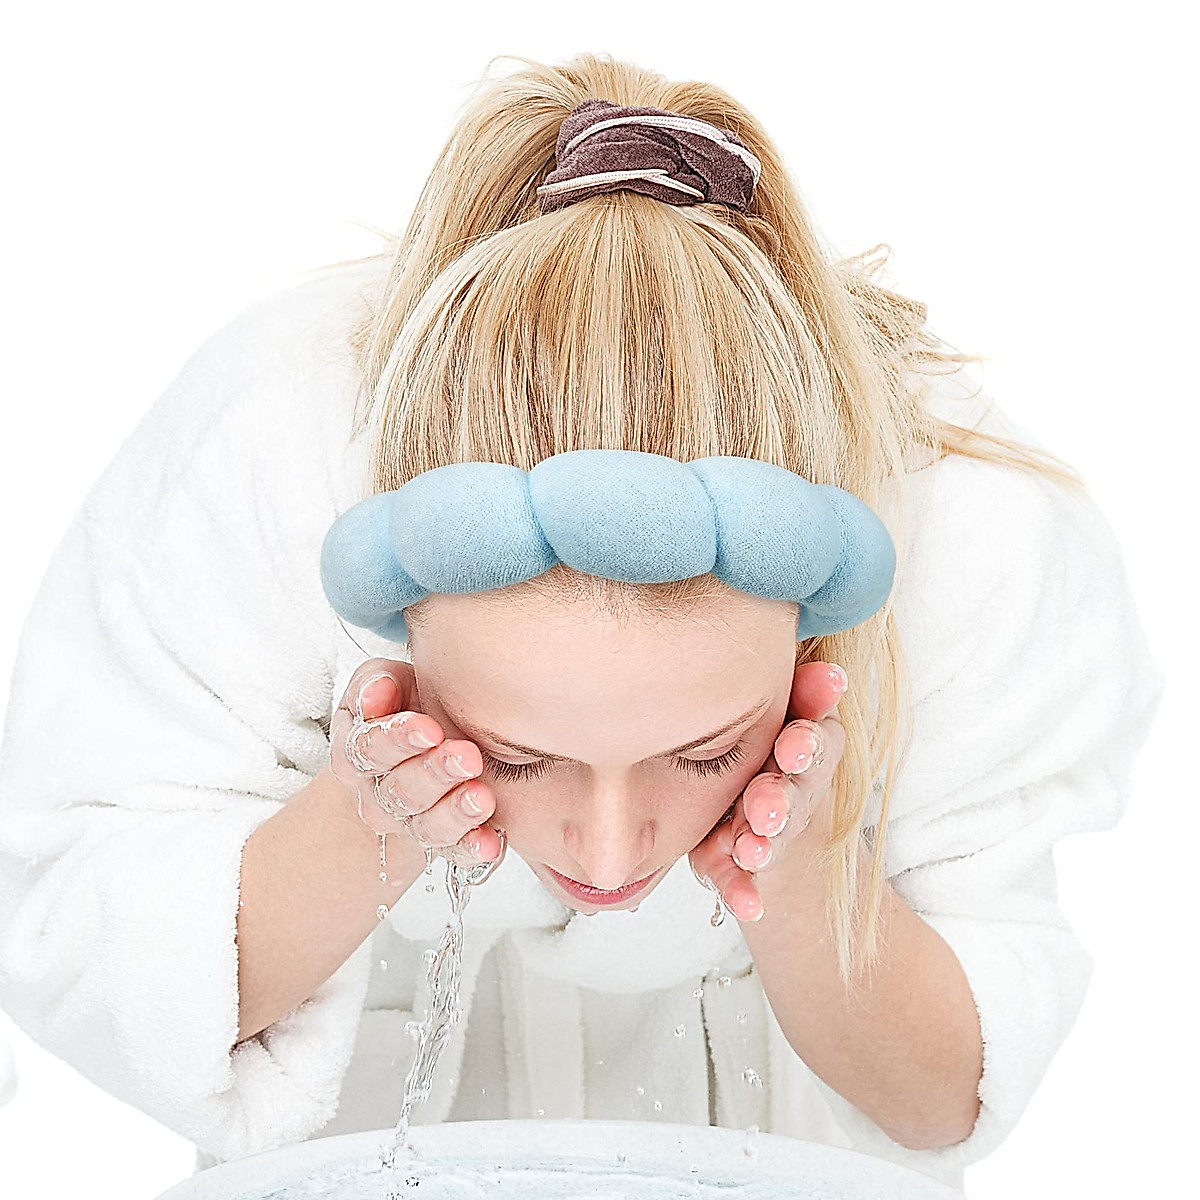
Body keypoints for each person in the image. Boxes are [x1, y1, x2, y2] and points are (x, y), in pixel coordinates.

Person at [0, 52, 1164, 1194]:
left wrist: (805, 871)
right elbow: (94, 963)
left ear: (812, 640)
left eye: (705, 752)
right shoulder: (263, 456)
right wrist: (368, 817)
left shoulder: (978, 535)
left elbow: (946, 1101)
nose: (609, 858)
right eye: (515, 757)